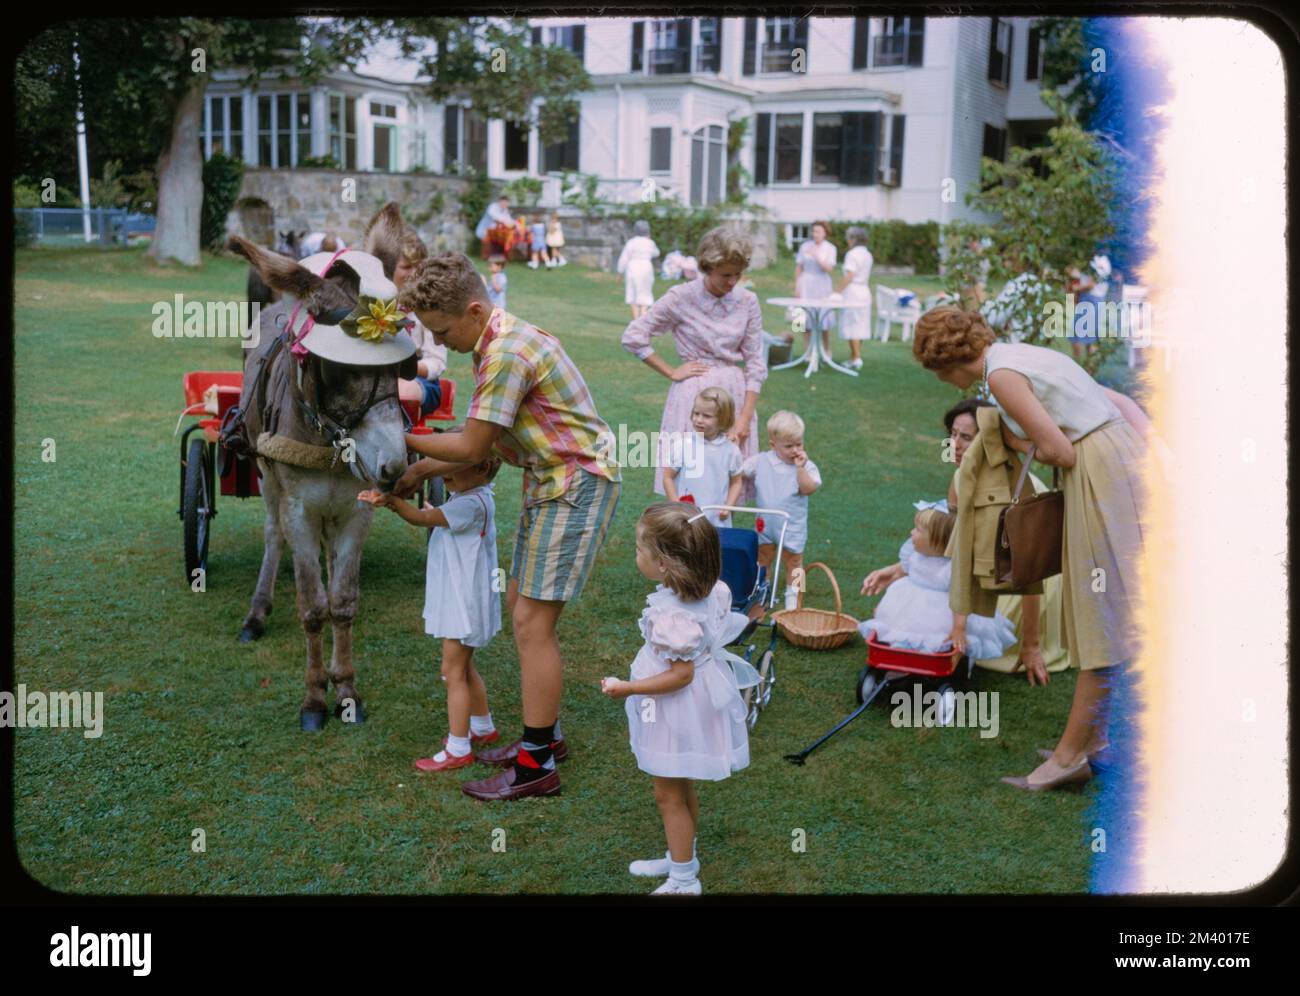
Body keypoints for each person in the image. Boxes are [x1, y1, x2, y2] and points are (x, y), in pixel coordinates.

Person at [393, 252, 621, 801]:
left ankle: (536, 765)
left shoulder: (506, 353)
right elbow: (490, 438)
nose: (441, 343)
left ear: (474, 310)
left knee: (531, 624)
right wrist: (424, 468)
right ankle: (547, 738)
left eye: (443, 330)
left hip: (574, 483)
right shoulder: (497, 340)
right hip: (549, 483)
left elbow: (473, 445)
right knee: (523, 603)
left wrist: (400, 437)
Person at [912, 306, 1150, 791]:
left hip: (1097, 471)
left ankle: (1068, 758)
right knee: (1107, 605)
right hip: (1113, 459)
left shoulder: (1000, 375)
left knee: (1102, 611)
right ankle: (1094, 742)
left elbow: (1059, 450)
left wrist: (1015, 445)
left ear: (946, 363)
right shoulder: (1019, 353)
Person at [600, 502, 757, 896]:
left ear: (665, 563)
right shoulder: (711, 590)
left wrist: (627, 687)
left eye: (640, 549)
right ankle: (681, 854)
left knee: (667, 794)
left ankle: (685, 880)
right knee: (680, 785)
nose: (635, 555)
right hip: (694, 703)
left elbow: (680, 675)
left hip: (675, 707)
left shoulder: (675, 617)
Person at [861, 397, 1070, 681]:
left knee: (979, 628)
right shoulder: (961, 478)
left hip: (1027, 583)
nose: (955, 445)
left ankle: (1023, 638)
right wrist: (899, 570)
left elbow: (1030, 576)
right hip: (984, 570)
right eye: (953, 435)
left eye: (966, 438)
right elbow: (949, 544)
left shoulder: (1017, 489)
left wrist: (1031, 645)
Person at [358, 447, 503, 771]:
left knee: (451, 673)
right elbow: (443, 520)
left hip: (462, 605)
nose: (443, 473)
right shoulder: (477, 496)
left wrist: (393, 503)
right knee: (465, 669)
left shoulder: (467, 503)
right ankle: (483, 727)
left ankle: (458, 747)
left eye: (452, 468)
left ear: (481, 470)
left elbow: (423, 519)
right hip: (471, 600)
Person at [621, 226, 768, 503]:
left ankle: (722, 542)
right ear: (707, 267)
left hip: (734, 399)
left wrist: (745, 418)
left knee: (727, 487)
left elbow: (756, 363)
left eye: (738, 274)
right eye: (726, 274)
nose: (732, 281)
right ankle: (684, 544)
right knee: (688, 484)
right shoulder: (681, 297)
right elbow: (633, 336)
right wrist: (672, 371)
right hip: (693, 401)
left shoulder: (748, 301)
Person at [858, 506, 1016, 659]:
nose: (911, 532)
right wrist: (888, 597)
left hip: (940, 612)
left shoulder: (954, 567)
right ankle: (902, 652)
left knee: (933, 636)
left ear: (940, 541)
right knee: (898, 624)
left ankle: (928, 657)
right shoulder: (913, 554)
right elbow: (905, 570)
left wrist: (959, 628)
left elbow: (961, 597)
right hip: (908, 603)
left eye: (919, 530)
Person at [738, 410, 821, 609]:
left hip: (792, 524)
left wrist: (800, 468)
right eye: (789, 446)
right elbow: (740, 470)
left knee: (794, 560)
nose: (795, 450)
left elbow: (808, 489)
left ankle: (794, 596)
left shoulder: (806, 466)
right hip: (766, 523)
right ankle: (763, 588)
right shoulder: (761, 460)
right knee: (763, 556)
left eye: (799, 444)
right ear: (773, 445)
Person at [661, 387, 743, 530]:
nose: (698, 420)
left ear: (723, 419)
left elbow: (736, 482)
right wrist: (676, 505)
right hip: (687, 517)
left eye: (706, 416)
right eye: (696, 413)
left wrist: (728, 507)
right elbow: (668, 477)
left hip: (717, 519)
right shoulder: (683, 445)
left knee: (713, 551)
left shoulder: (731, 451)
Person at [393, 231, 447, 418]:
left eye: (418, 267)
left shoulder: (428, 306)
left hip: (419, 379)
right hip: (379, 378)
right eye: (406, 266)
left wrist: (401, 369)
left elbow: (437, 361)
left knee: (397, 392)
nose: (413, 273)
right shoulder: (375, 302)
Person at [795, 221, 837, 360]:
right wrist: (797, 286)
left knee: (823, 318)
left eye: (818, 231)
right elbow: (799, 266)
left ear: (825, 233)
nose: (815, 234)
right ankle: (807, 351)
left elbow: (829, 268)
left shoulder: (830, 248)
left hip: (822, 283)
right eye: (813, 231)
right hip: (806, 282)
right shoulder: (805, 246)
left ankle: (826, 350)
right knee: (802, 318)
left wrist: (816, 255)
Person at [836, 225, 873, 369]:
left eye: (848, 237)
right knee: (860, 325)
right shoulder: (867, 254)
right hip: (864, 291)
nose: (847, 240)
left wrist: (837, 292)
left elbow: (849, 276)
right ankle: (853, 357)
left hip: (853, 292)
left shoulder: (852, 254)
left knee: (852, 325)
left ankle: (856, 358)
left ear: (853, 239)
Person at [618, 220, 661, 320]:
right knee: (645, 293)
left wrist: (620, 272)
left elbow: (624, 257)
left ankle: (636, 320)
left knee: (632, 293)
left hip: (632, 267)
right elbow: (656, 253)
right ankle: (643, 318)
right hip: (646, 266)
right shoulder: (650, 243)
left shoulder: (631, 242)